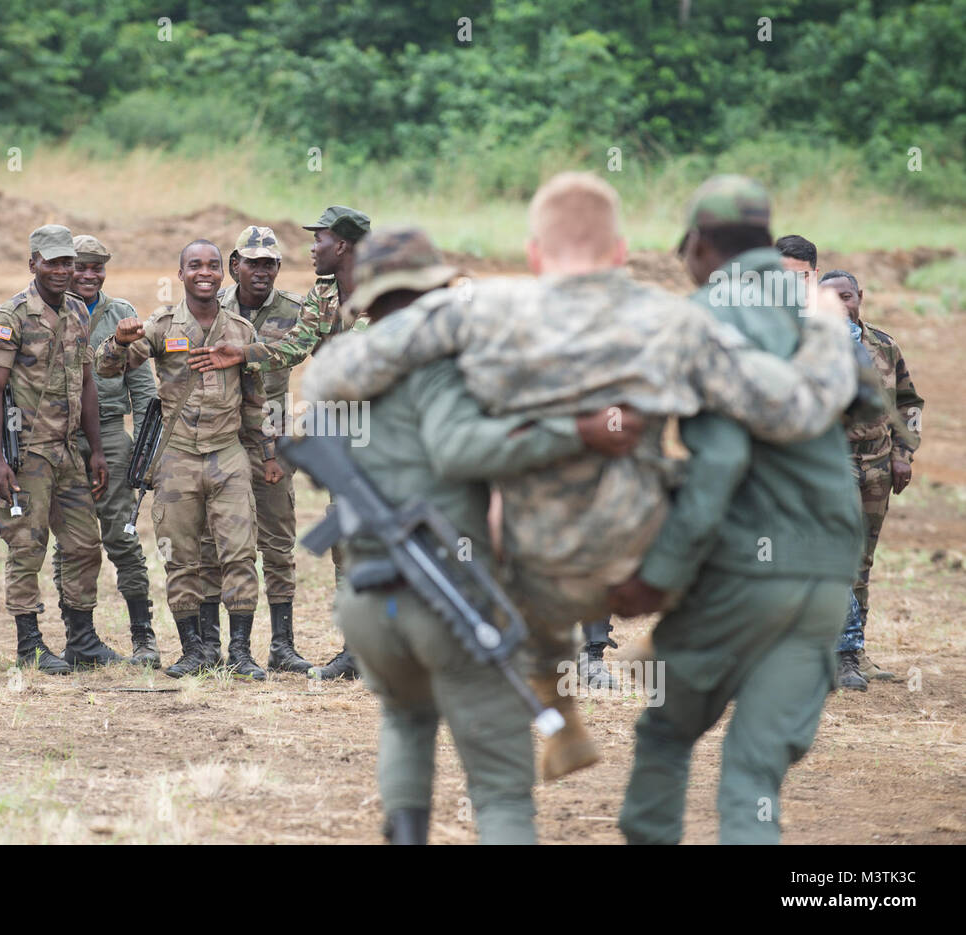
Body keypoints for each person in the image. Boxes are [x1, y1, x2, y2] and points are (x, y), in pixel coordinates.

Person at [303, 172, 859, 779]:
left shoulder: (482, 310)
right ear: (621, 254)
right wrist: (828, 324)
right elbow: (797, 409)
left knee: (489, 501)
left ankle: (555, 701)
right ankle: (679, 642)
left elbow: (332, 376)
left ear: (534, 253)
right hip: (642, 567)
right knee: (723, 466)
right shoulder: (675, 324)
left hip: (532, 572)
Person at [330, 227, 648, 844]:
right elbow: (461, 450)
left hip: (369, 599)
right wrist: (579, 432)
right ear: (436, 290)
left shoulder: (344, 374)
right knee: (500, 791)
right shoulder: (446, 370)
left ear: (367, 301)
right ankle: (560, 715)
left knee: (405, 720)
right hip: (448, 598)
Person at [609, 175, 864, 844]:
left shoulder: (703, 319)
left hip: (745, 572)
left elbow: (719, 463)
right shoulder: (820, 311)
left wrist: (656, 575)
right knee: (753, 777)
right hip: (827, 577)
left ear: (699, 244)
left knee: (666, 731)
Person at [189, 206, 372, 680]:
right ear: (236, 265)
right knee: (344, 538)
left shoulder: (389, 289)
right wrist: (242, 353)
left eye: (320, 239)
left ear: (345, 245)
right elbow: (294, 348)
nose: (312, 247)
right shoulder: (324, 294)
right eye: (253, 261)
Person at [97, 240, 277, 680]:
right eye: (194, 265)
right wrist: (118, 344)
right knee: (180, 557)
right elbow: (107, 368)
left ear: (223, 273)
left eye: (213, 266)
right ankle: (194, 650)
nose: (205, 272)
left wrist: (267, 454)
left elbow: (256, 401)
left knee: (238, 554)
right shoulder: (161, 325)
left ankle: (239, 651)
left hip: (228, 453)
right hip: (177, 456)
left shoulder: (239, 329)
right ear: (180, 274)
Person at [0, 225, 118, 674]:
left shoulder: (79, 311)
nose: (62, 271)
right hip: (28, 453)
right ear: (33, 263)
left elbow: (87, 382)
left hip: (68, 452)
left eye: (68, 263)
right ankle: (30, 644)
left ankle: (81, 639)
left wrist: (95, 449)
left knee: (84, 544)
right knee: (27, 546)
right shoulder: (12, 316)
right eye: (53, 262)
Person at [198, 226, 314, 674]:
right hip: (223, 433)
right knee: (213, 540)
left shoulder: (295, 310)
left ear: (278, 268)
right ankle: (210, 645)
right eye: (252, 262)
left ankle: (282, 645)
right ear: (235, 266)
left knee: (278, 541)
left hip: (274, 437)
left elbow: (307, 351)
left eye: (269, 263)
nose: (261, 271)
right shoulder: (213, 306)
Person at [57, 233, 160, 667]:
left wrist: (147, 450)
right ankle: (78, 639)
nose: (88, 274)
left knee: (121, 534)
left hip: (113, 436)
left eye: (96, 267)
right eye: (80, 266)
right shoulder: (50, 312)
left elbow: (142, 385)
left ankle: (144, 637)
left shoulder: (121, 313)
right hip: (60, 434)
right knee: (70, 541)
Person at [819, 268, 923, 689]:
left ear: (860, 295)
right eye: (830, 299)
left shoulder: (884, 345)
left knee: (862, 559)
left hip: (878, 465)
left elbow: (908, 404)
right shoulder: (815, 347)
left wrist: (903, 455)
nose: (841, 305)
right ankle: (834, 651)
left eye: (846, 296)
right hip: (834, 461)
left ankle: (854, 652)